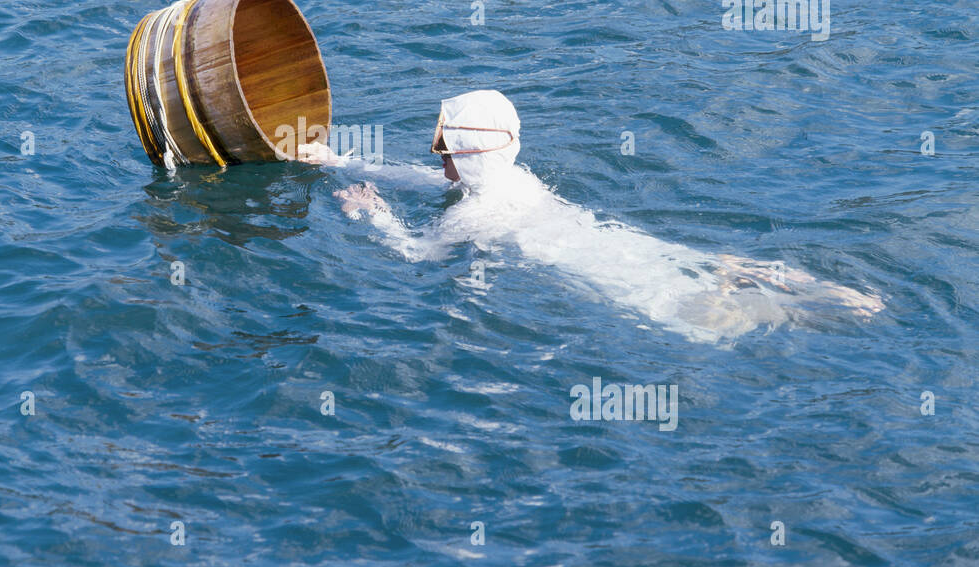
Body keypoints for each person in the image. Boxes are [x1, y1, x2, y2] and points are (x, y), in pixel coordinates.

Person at [300, 89, 883, 344]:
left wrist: (369, 215)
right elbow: (430, 178)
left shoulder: (474, 219)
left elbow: (415, 254)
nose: (438, 156)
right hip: (637, 249)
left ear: (467, 154)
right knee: (717, 273)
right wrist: (338, 161)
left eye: (443, 146)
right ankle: (817, 287)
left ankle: (821, 307)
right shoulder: (514, 181)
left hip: (640, 288)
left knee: (719, 320)